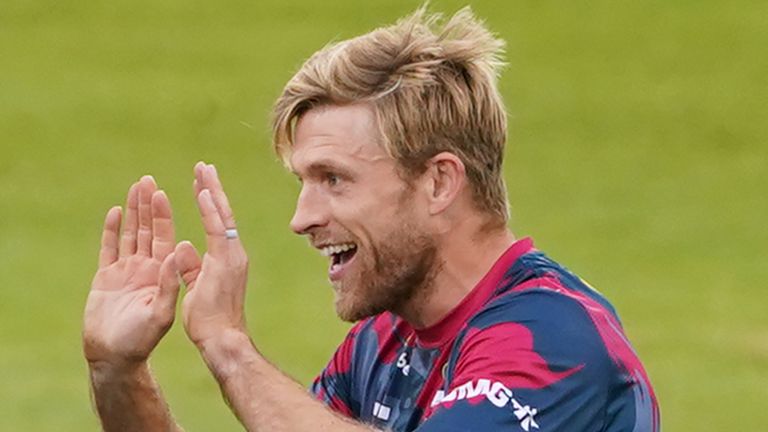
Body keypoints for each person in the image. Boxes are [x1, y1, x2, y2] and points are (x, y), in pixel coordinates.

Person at [82, 7, 660, 432]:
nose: (301, 219)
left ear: (438, 182)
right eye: (303, 183)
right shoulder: (378, 347)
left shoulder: (550, 342)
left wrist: (228, 344)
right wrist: (119, 372)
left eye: (334, 179)